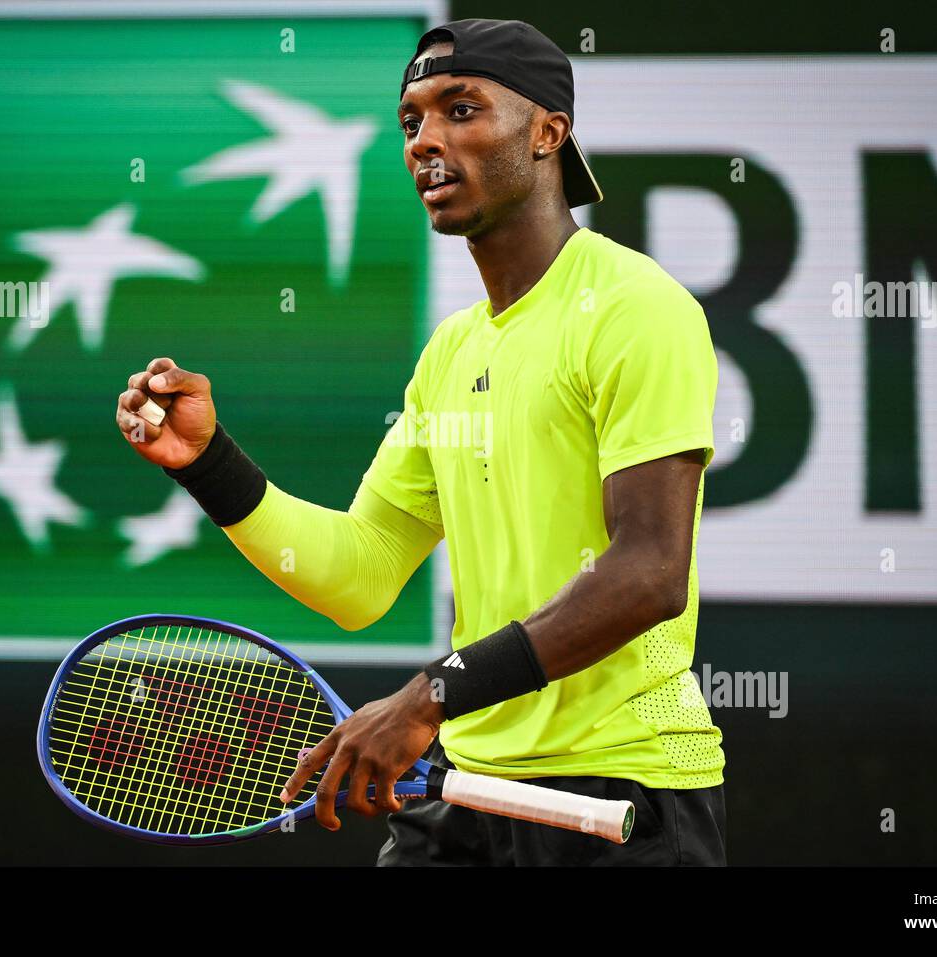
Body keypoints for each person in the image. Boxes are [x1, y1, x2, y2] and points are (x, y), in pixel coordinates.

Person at [115, 18, 725, 866]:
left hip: (625, 790)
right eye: (411, 122)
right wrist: (210, 463)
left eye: (462, 110)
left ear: (549, 132)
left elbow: (650, 571)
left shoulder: (635, 308)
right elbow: (362, 573)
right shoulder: (452, 352)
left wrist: (430, 694)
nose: (426, 141)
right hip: (467, 792)